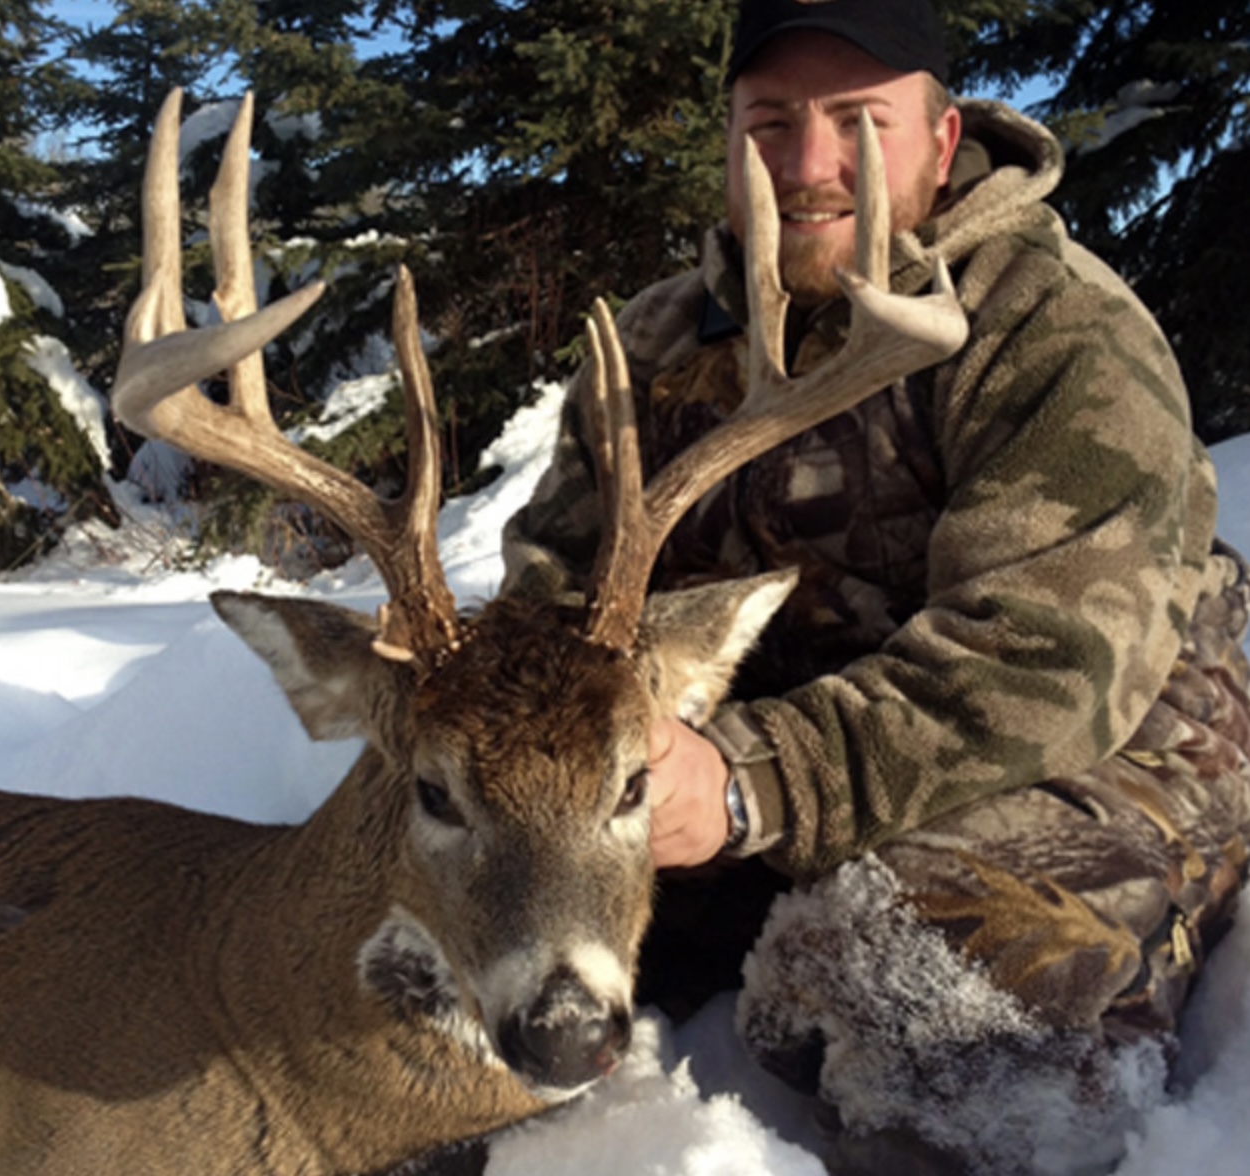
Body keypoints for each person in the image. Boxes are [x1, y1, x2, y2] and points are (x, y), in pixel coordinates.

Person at [500, 1, 1250, 1172]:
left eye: (855, 124)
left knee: (911, 987)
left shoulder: (1052, 329)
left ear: (942, 142)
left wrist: (745, 785)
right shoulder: (654, 338)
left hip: (1091, 744)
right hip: (741, 766)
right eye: (767, 124)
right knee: (446, 935)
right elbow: (552, 586)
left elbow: (1043, 661)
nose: (803, 169)